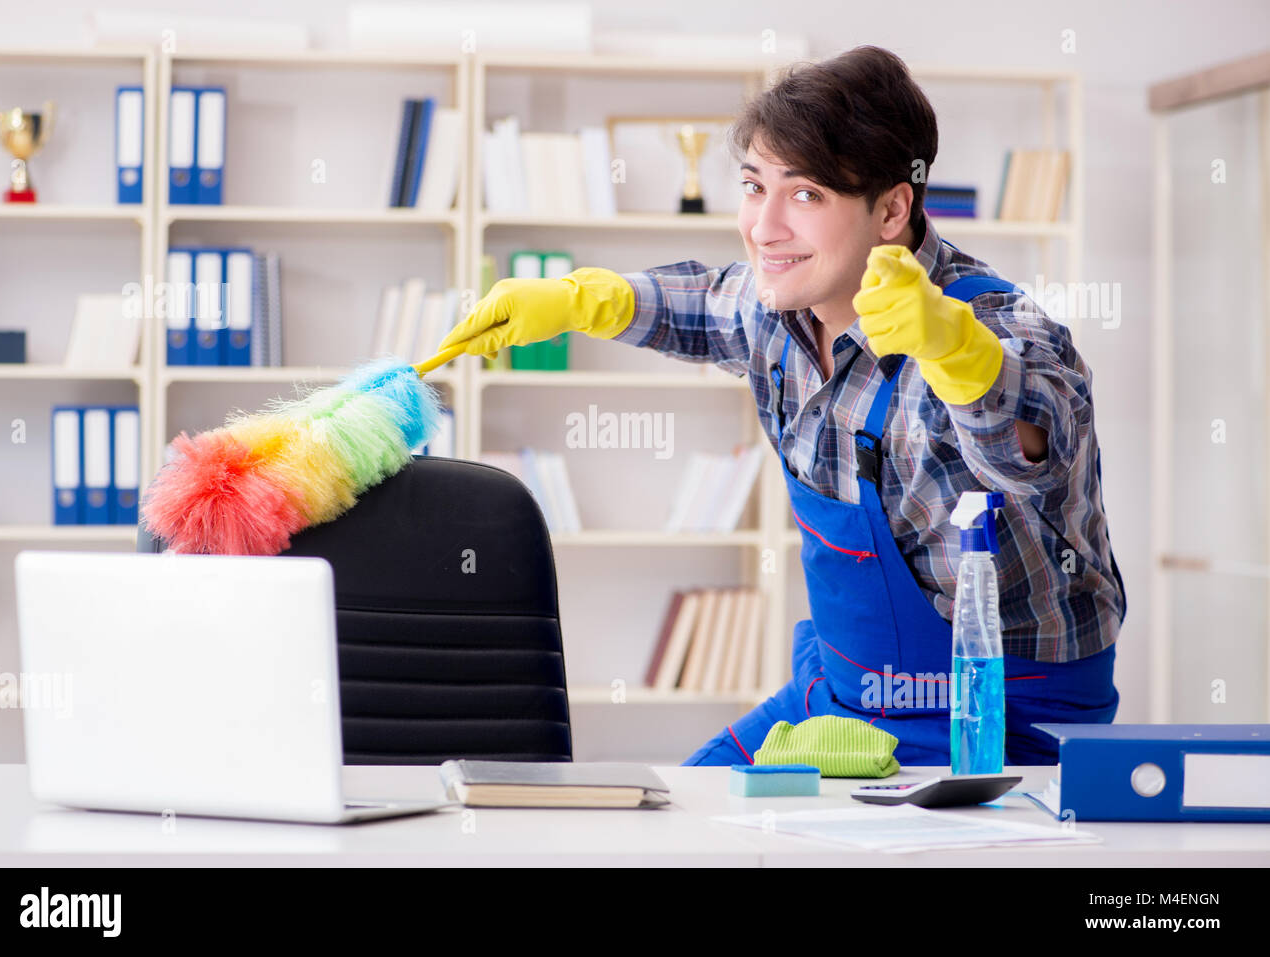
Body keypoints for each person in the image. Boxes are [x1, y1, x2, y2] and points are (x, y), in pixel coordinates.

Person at [437, 45, 1125, 766]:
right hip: (847, 695)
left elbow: (1033, 447)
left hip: (1008, 718)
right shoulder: (774, 310)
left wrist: (959, 355)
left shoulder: (1001, 328)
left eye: (804, 195)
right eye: (753, 186)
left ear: (893, 207)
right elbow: (695, 303)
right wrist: (583, 299)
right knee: (680, 818)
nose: (764, 227)